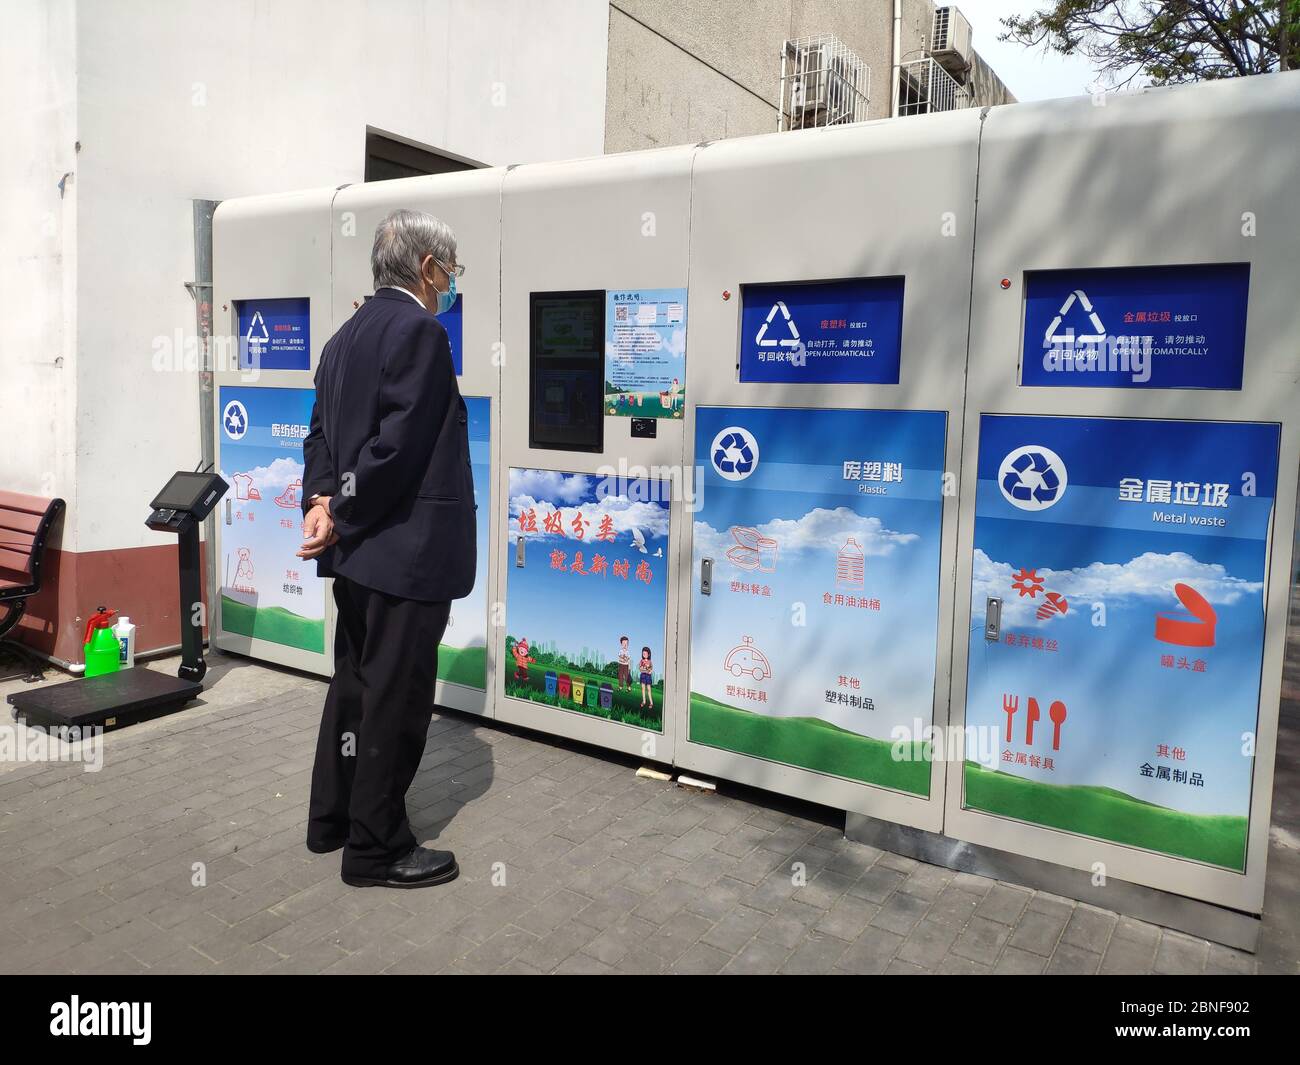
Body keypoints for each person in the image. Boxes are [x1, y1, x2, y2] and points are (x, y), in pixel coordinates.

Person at [296, 208, 475, 890]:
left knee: (354, 687)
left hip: (360, 558)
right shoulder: (421, 333)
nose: (450, 286)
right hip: (405, 555)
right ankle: (376, 846)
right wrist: (339, 509)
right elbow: (395, 450)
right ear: (427, 268)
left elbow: (320, 437)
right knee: (395, 700)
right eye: (450, 273)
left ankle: (331, 819)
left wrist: (322, 502)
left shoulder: (344, 337)